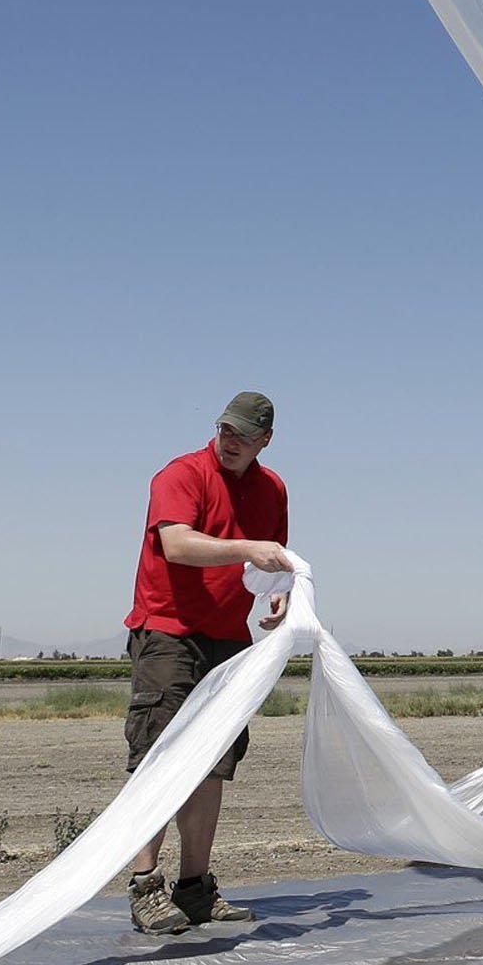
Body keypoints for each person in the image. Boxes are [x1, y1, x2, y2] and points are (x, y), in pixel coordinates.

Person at [119, 390, 293, 936]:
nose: (231, 440)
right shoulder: (182, 474)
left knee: (212, 764)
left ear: (265, 439)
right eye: (225, 429)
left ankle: (194, 890)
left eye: (243, 433)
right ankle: (146, 888)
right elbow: (177, 544)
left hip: (227, 639)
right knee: (159, 758)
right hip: (168, 633)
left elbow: (271, 560)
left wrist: (278, 591)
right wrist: (247, 550)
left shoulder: (272, 489)